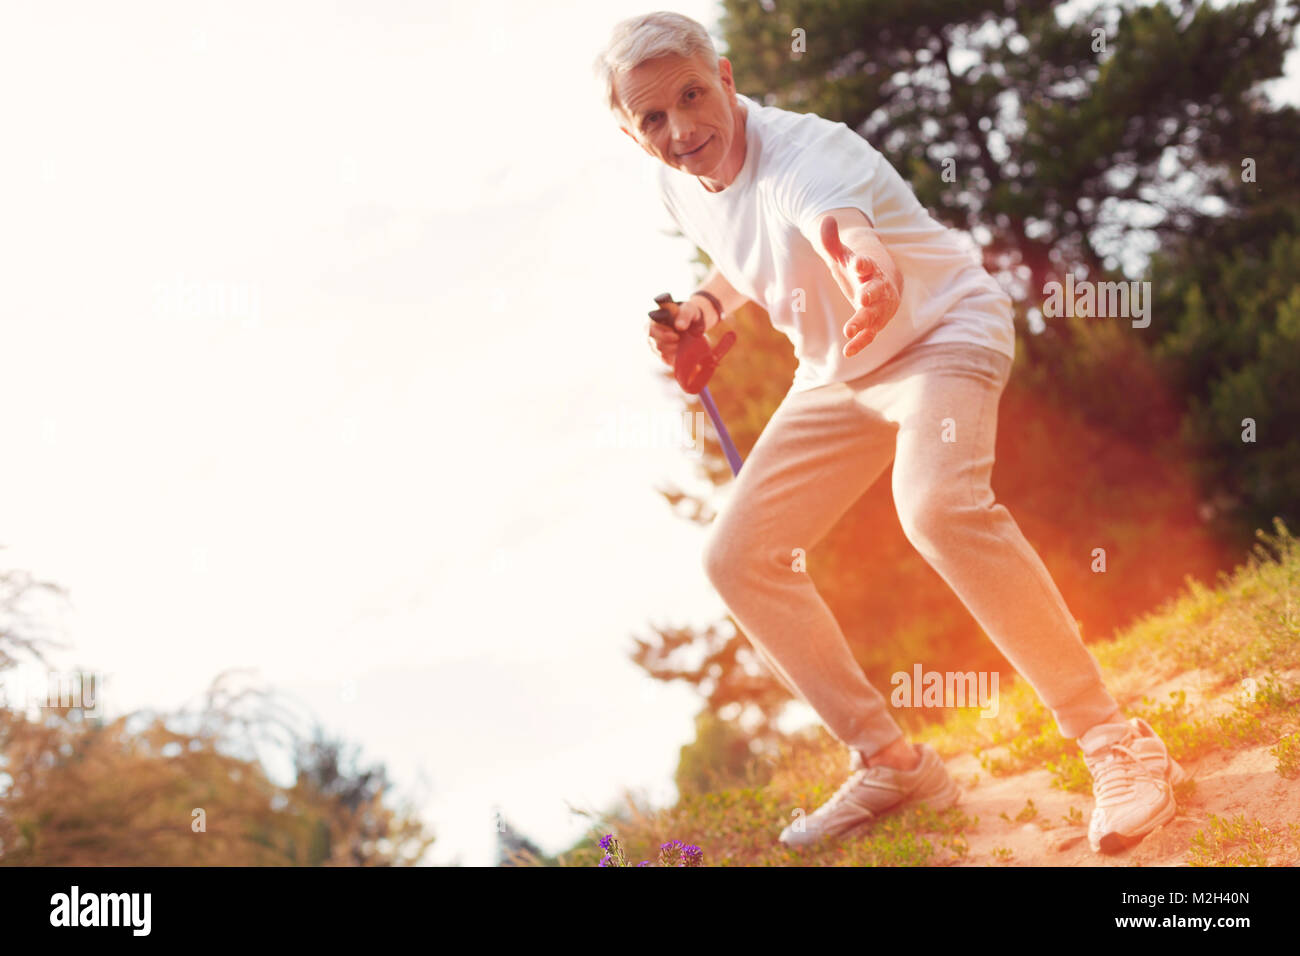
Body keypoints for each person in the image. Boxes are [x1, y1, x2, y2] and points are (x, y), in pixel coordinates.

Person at [593, 11, 1186, 854]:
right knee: (735, 557)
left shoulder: (808, 151)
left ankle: (1118, 745)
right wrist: (706, 307)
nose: (681, 128)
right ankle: (891, 761)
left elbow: (832, 220)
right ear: (628, 126)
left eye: (692, 96)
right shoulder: (676, 178)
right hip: (839, 375)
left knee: (939, 508)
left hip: (939, 333)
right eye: (652, 118)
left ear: (724, 78)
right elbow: (744, 245)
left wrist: (865, 269)